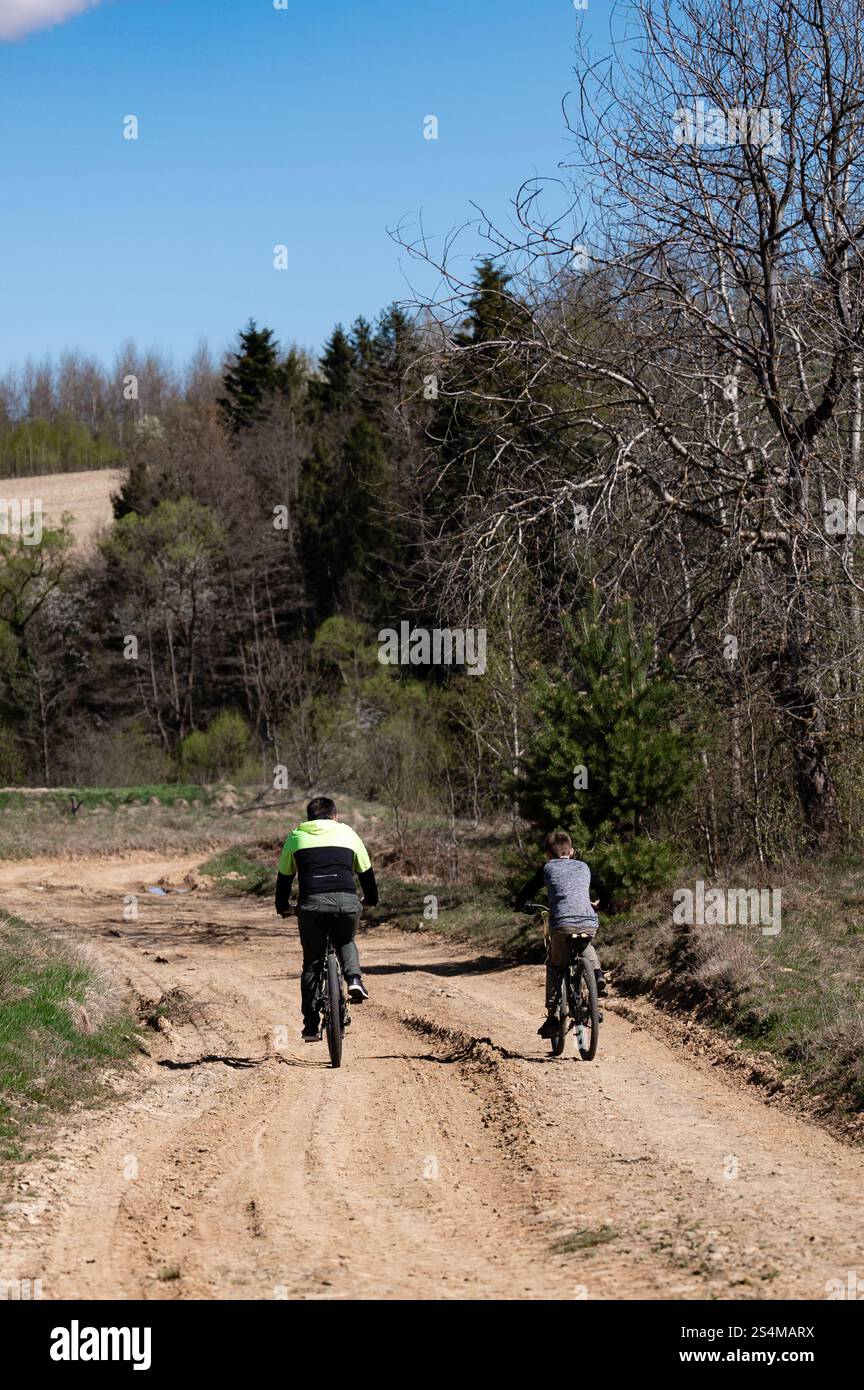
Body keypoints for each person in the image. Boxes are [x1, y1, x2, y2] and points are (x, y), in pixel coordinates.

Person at [275, 796, 379, 1042]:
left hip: (311, 905)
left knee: (312, 962)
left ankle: (310, 1026)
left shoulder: (296, 837)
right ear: (335, 816)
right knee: (345, 939)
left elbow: (284, 879)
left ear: (309, 819)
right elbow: (367, 873)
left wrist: (283, 907)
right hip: (346, 902)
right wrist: (371, 899)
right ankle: (353, 979)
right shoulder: (348, 834)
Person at [513, 830, 607, 1040]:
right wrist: (601, 904)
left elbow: (528, 890)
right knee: (585, 943)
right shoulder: (584, 866)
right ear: (571, 852)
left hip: (562, 924)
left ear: (548, 854)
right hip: (588, 921)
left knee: (555, 966)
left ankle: (553, 1017)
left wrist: (519, 904)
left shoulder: (548, 868)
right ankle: (597, 974)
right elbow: (604, 890)